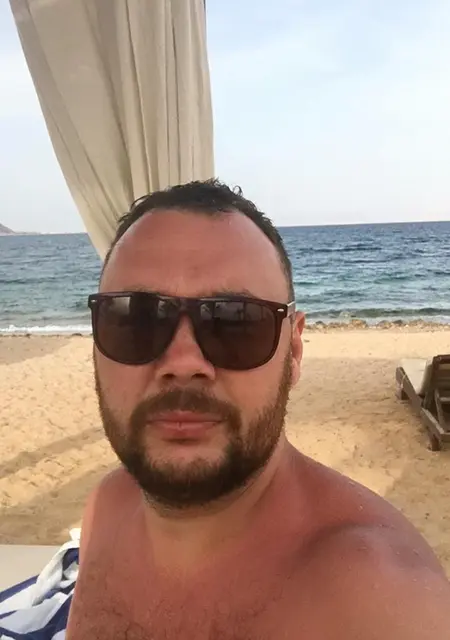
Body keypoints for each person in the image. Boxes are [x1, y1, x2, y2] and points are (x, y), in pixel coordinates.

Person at [67, 179, 450, 639]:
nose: (183, 363)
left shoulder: (385, 605)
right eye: (135, 318)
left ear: (294, 352)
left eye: (236, 321)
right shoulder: (104, 511)